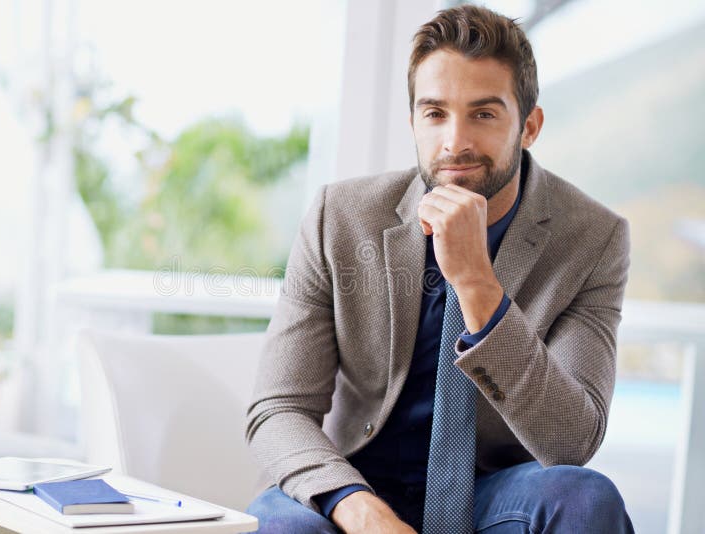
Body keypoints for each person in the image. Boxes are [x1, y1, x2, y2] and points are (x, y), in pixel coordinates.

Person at [245, 5, 634, 533]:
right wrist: (358, 508)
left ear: (530, 126)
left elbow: (570, 441)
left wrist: (477, 282)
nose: (455, 141)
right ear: (413, 122)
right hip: (356, 482)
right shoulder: (340, 217)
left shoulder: (591, 238)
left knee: (584, 498)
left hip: (490, 496)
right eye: (435, 114)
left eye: (484, 113)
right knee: (283, 526)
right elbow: (278, 409)